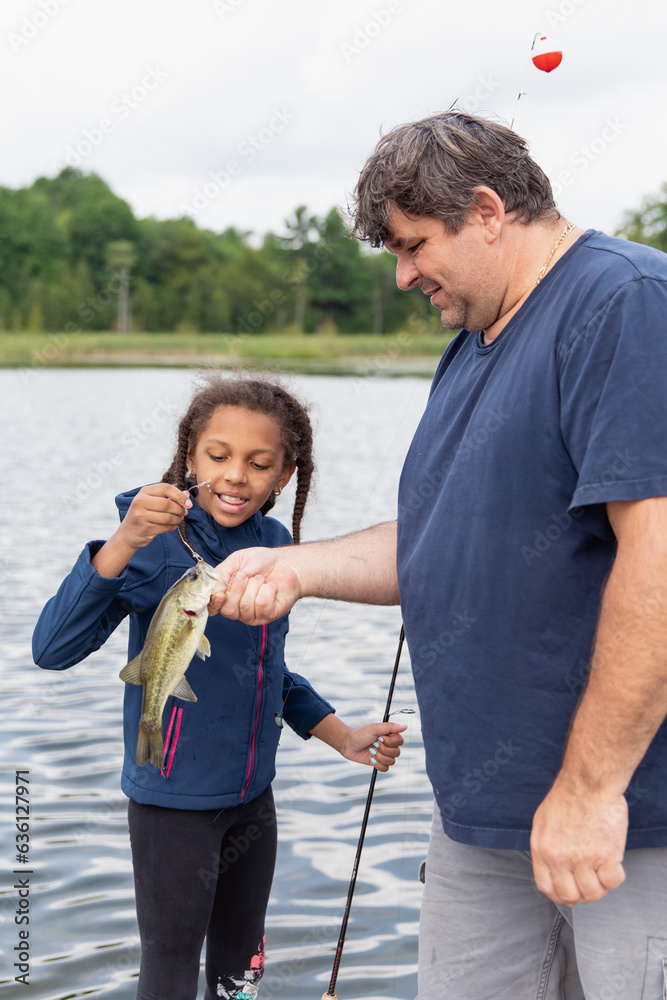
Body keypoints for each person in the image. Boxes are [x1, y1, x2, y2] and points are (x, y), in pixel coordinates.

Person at [207, 114, 667, 999]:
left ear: (488, 211)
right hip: (483, 820)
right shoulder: (469, 346)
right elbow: (438, 541)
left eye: (414, 246)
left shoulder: (625, 303)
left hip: (622, 822)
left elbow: (657, 553)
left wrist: (589, 790)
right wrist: (295, 570)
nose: (403, 273)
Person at [32, 372, 406, 1000]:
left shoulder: (276, 547)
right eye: (219, 456)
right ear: (189, 460)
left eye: (260, 464)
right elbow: (52, 649)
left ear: (284, 476)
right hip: (172, 802)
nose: (237, 475)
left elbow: (267, 668)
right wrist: (124, 540)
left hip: (253, 799)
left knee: (241, 966)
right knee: (172, 967)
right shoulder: (149, 545)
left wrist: (339, 734)